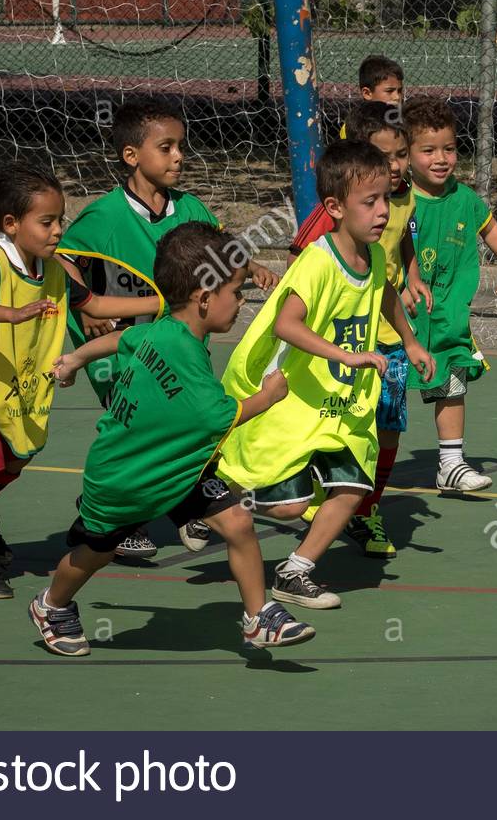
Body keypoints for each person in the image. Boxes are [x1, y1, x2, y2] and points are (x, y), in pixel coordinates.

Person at [29, 222, 315, 656]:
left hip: (179, 467)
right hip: (127, 476)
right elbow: (218, 416)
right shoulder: (182, 352)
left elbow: (124, 336)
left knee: (237, 522)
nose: (241, 302)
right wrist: (269, 396)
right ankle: (52, 605)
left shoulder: (163, 328)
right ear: (204, 299)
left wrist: (74, 358)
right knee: (95, 553)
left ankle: (260, 617)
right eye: (236, 292)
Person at [0, 163, 161, 599]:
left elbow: (93, 304)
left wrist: (163, 301)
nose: (58, 230)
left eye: (61, 220)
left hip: (0, 379)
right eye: (47, 222)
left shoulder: (51, 268)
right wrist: (11, 314)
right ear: (11, 224)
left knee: (18, 454)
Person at [56, 99, 281, 557]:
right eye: (166, 147)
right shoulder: (103, 217)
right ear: (131, 155)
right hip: (123, 346)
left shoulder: (190, 206)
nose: (179, 155)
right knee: (143, 429)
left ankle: (176, 505)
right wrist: (83, 307)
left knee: (181, 423)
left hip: (176, 342)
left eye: (181, 146)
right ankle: (118, 513)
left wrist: (251, 265)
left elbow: (216, 250)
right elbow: (61, 258)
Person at [217, 139, 435, 610]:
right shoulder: (318, 261)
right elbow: (286, 324)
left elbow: (385, 294)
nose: (382, 212)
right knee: (290, 506)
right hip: (300, 399)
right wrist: (347, 354)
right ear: (335, 207)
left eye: (385, 199)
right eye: (370, 202)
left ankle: (295, 571)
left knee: (354, 486)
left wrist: (411, 341)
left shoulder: (374, 257)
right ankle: (211, 500)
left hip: (343, 403)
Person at [288, 100, 431, 557]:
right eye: (384, 157)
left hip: (385, 341)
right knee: (333, 426)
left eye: (401, 155)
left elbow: (389, 269)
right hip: (338, 343)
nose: (394, 166)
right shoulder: (326, 227)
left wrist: (410, 338)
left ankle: (366, 509)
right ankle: (310, 491)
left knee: (387, 429)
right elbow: (300, 270)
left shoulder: (400, 200)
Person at [402, 95, 497, 493]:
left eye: (450, 149)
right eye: (428, 150)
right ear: (406, 155)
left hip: (448, 314)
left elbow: (491, 229)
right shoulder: (397, 201)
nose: (441, 158)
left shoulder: (465, 198)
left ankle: (451, 464)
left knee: (453, 380)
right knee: (382, 390)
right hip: (400, 316)